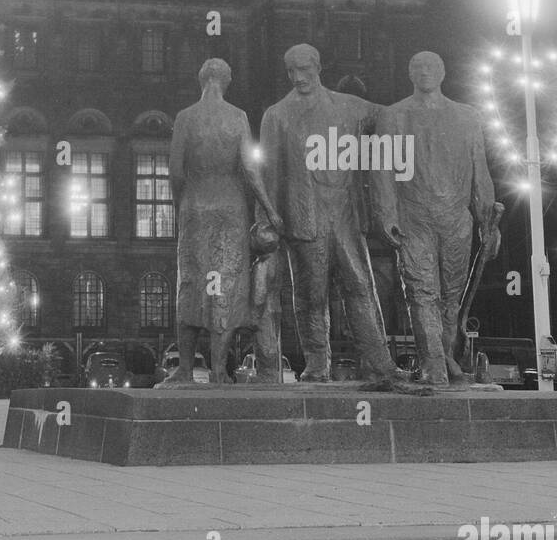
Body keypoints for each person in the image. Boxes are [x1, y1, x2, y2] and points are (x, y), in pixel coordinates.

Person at [257, 44, 403, 387]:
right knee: (311, 296)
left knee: (361, 286)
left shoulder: (350, 108)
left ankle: (380, 363)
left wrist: (381, 184)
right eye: (292, 71)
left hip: (346, 215)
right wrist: (265, 221)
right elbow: (269, 174)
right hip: (302, 218)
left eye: (305, 69)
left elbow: (390, 117)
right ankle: (317, 364)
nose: (299, 77)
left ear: (318, 67)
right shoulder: (277, 115)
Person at [378, 52, 496, 386]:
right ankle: (433, 363)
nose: (425, 72)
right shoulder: (394, 115)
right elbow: (383, 171)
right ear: (410, 74)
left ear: (443, 73)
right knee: (421, 290)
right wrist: (387, 214)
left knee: (451, 294)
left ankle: (445, 357)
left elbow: (480, 170)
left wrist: (486, 218)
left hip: (457, 218)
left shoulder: (467, 116)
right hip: (414, 217)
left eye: (431, 67)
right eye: (418, 67)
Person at [164, 58, 281, 385]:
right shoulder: (237, 117)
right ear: (226, 80)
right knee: (226, 286)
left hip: (195, 206)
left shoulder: (186, 118)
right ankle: (218, 371)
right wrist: (270, 210)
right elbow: (250, 169)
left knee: (190, 283)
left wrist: (182, 206)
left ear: (201, 80)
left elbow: (175, 171)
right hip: (231, 210)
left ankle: (185, 369)